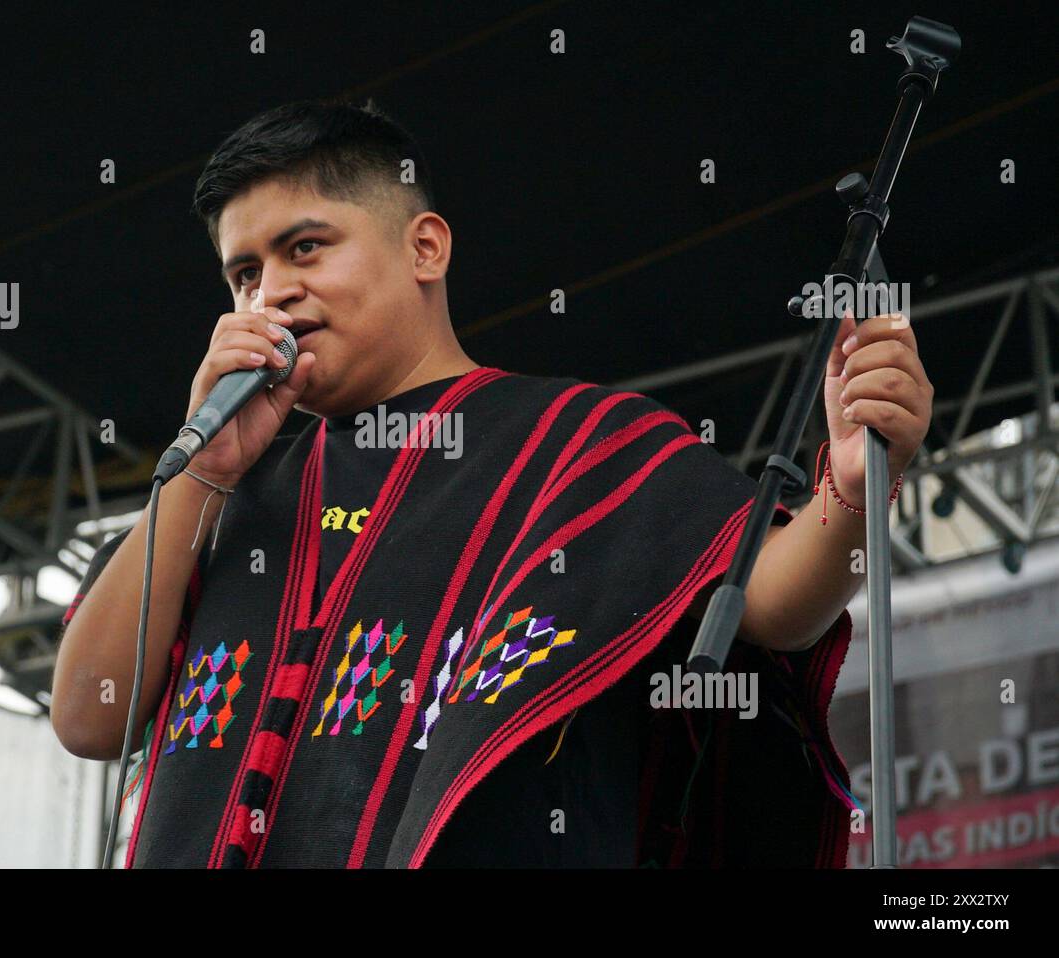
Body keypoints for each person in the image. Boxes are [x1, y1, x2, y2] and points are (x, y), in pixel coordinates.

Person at [50, 97, 934, 868]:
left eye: (305, 248)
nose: (270, 295)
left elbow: (772, 606)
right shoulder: (219, 492)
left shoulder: (579, 446)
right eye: (245, 274)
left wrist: (852, 486)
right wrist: (203, 470)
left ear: (424, 247)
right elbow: (90, 717)